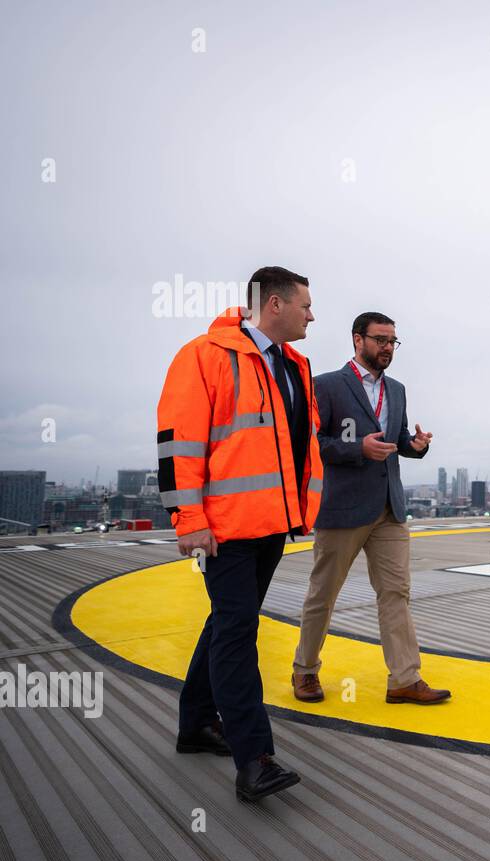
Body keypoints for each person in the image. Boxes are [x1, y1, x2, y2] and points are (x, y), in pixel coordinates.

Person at [158, 265, 323, 803]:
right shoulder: (204, 356)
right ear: (274, 304)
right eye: (305, 305)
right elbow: (177, 444)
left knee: (230, 621)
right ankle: (255, 760)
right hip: (224, 529)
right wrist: (189, 521)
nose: (311, 315)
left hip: (272, 524)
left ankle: (195, 726)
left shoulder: (294, 366)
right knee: (236, 632)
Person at [291, 312, 451, 705]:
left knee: (396, 593)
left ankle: (404, 679)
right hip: (342, 508)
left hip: (389, 510)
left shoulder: (396, 390)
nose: (387, 347)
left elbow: (394, 441)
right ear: (357, 340)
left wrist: (417, 446)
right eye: (380, 339)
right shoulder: (325, 386)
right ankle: (305, 671)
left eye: (393, 341)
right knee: (323, 594)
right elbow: (311, 444)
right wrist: (356, 449)